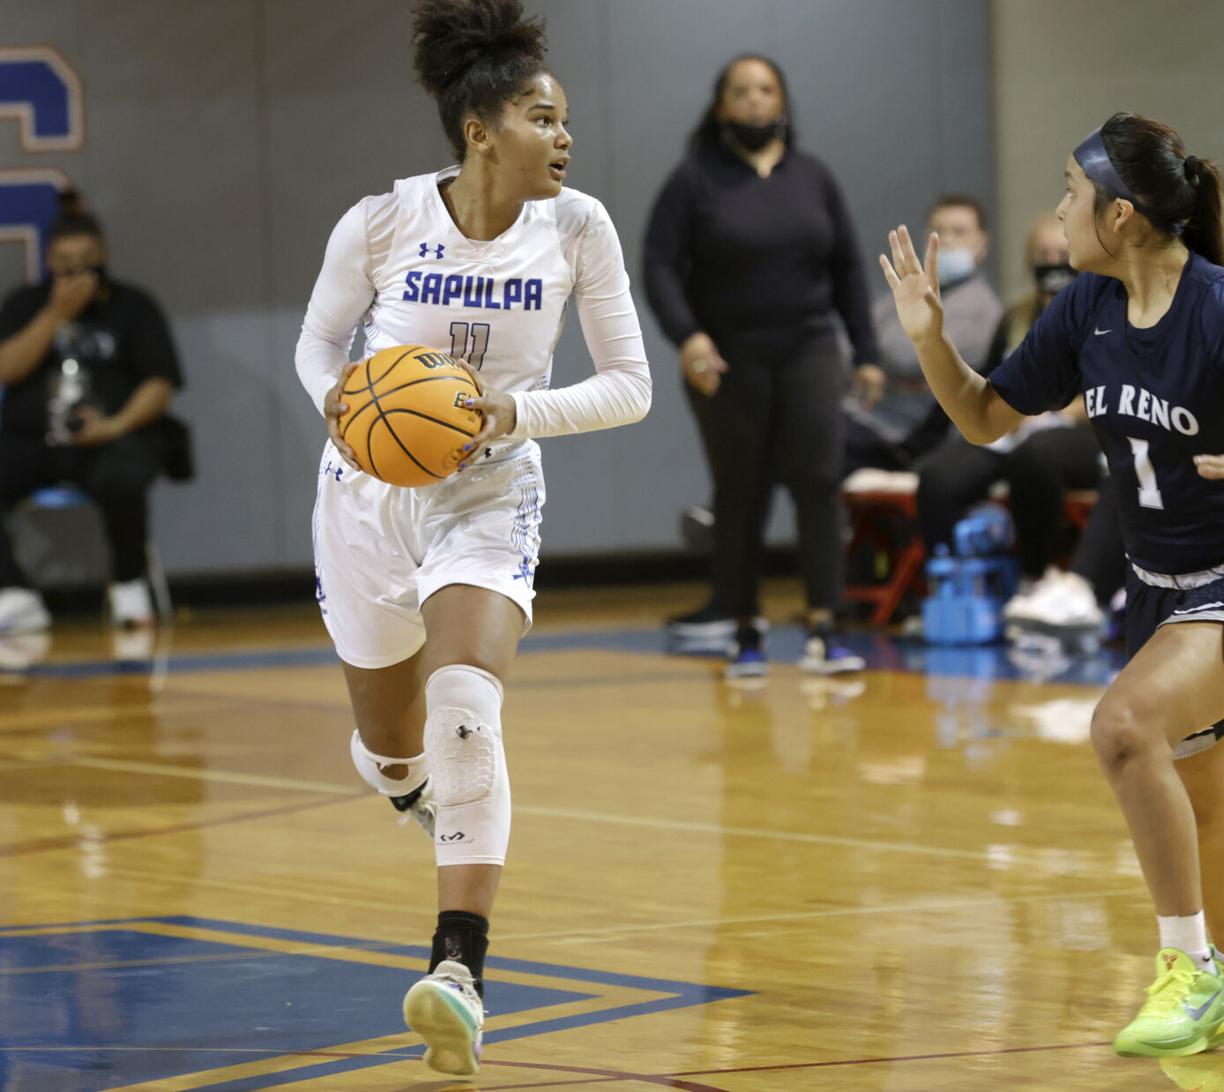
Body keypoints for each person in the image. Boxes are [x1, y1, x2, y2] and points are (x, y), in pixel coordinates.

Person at [882, 112, 1224, 1057]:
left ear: (1118, 217)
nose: (1061, 212)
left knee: (1123, 727)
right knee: (1201, 797)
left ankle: (1188, 967)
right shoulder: (1086, 307)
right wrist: (929, 341)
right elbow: (986, 420)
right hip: (1163, 580)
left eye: (1072, 196)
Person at [294, 0, 650, 1075]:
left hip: (488, 494)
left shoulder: (578, 226)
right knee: (394, 747)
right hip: (363, 496)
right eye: (544, 117)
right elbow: (317, 346)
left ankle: (458, 970)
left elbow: (631, 387)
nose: (565, 137)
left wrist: (511, 414)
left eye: (567, 118)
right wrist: (344, 406)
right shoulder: (381, 223)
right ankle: (405, 783)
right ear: (479, 129)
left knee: (464, 701)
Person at [643, 54, 877, 678]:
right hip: (728, 358)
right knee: (740, 490)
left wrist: (868, 352)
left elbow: (850, 268)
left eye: (765, 89)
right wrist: (688, 338)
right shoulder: (695, 181)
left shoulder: (814, 178)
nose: (754, 100)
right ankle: (744, 628)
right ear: (721, 106)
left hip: (808, 349)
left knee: (818, 482)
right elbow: (659, 265)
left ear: (782, 102)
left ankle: (825, 627)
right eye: (740, 91)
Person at [0, 194, 183, 632]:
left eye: (87, 261)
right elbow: (6, 369)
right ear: (49, 261)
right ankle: (13, 593)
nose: (78, 273)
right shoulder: (26, 304)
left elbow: (160, 384)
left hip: (108, 436)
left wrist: (114, 425)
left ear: (103, 256)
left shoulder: (133, 306)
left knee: (125, 472)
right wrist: (55, 314)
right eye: (66, 263)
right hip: (34, 441)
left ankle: (128, 583)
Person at [910, 216, 1101, 598]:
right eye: (1043, 254)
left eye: (1060, 254)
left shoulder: (1099, 311)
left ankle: (1033, 579)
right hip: (1012, 425)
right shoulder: (1014, 317)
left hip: (1079, 428)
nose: (1052, 262)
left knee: (1035, 456)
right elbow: (994, 380)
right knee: (938, 476)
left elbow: (1108, 383)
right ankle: (954, 588)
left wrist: (1059, 415)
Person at [845, 193, 1002, 474]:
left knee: (815, 441)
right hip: (867, 416)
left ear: (982, 244)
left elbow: (906, 356)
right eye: (937, 231)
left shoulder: (983, 309)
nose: (946, 240)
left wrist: (870, 356)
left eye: (959, 232)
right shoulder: (915, 288)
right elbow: (849, 343)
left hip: (907, 434)